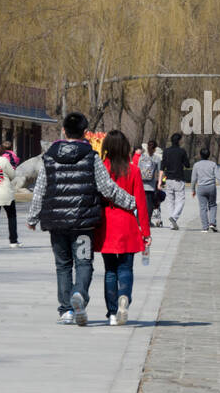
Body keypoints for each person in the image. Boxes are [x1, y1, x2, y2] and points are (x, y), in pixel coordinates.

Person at [27, 112, 138, 326]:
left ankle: (67, 310)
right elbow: (107, 188)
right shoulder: (91, 156)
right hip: (84, 223)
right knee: (84, 263)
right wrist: (131, 202)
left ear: (63, 131)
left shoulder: (49, 156)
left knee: (63, 265)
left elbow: (40, 189)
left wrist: (32, 217)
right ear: (85, 133)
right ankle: (79, 294)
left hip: (56, 223)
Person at [96, 130, 152, 325]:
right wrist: (146, 232)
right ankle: (124, 297)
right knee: (126, 267)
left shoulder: (102, 168)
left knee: (110, 269)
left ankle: (112, 313)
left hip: (107, 223)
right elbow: (141, 204)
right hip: (127, 223)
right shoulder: (133, 170)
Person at [189, 146, 220, 232]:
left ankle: (205, 227)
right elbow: (219, 177)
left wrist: (193, 190)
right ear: (209, 155)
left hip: (201, 188)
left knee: (203, 208)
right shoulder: (213, 164)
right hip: (211, 187)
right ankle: (212, 223)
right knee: (213, 205)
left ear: (200, 155)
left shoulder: (196, 165)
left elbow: (193, 179)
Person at [160, 133, 190, 230]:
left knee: (170, 201)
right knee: (180, 200)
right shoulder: (182, 151)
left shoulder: (166, 151)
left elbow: (162, 166)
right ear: (179, 141)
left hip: (168, 179)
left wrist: (160, 181)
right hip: (179, 179)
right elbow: (187, 165)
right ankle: (174, 217)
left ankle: (172, 224)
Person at [137, 140, 161, 228]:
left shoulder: (142, 157)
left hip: (141, 184)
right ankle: (147, 221)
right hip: (151, 185)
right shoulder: (157, 158)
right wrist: (158, 183)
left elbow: (137, 169)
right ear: (155, 149)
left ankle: (139, 220)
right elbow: (158, 172)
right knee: (149, 204)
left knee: (140, 203)